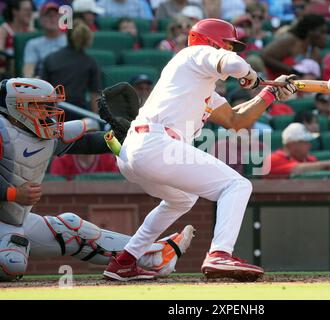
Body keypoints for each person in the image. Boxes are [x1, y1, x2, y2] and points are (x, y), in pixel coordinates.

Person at [103, 18, 298, 282]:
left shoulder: (201, 83)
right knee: (237, 186)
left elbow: (235, 120)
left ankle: (125, 261)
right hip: (156, 144)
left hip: (137, 152)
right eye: (228, 44)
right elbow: (236, 65)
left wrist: (270, 93)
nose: (231, 50)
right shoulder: (193, 54)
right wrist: (252, 77)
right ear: (212, 41)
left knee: (183, 199)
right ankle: (219, 253)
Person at [0, 77, 195, 281]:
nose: (48, 111)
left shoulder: (41, 131)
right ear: (18, 107)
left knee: (72, 229)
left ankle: (153, 256)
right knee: (11, 262)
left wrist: (121, 136)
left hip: (13, 221)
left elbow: (85, 144)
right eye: (41, 105)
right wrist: (12, 193)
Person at [40, 20, 101, 117]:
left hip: (54, 114)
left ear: (67, 36)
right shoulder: (90, 62)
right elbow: (94, 96)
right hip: (79, 115)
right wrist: (97, 121)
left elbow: (42, 90)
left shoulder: (51, 58)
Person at [263, 123, 330, 178]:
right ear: (292, 144)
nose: (309, 145)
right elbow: (296, 169)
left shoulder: (310, 159)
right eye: (305, 142)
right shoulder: (273, 159)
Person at [261, 14, 328, 80]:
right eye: (322, 32)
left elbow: (320, 78)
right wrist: (291, 70)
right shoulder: (290, 40)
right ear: (310, 31)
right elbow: (265, 56)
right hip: (278, 84)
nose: (325, 37)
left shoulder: (315, 51)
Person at [23, 3, 67, 78]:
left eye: (55, 15)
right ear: (41, 20)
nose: (52, 18)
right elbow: (28, 70)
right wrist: (31, 81)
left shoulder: (70, 41)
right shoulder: (33, 44)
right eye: (48, 15)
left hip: (68, 81)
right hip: (45, 84)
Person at [0, 0, 34, 78]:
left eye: (31, 10)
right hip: (6, 75)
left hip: (27, 72)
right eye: (26, 10)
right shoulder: (4, 30)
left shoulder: (31, 32)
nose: (30, 13)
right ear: (15, 11)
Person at [49, 153, 119, 180]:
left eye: (93, 134)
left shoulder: (108, 159)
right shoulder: (62, 161)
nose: (89, 140)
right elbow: (54, 186)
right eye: (84, 136)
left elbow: (117, 184)